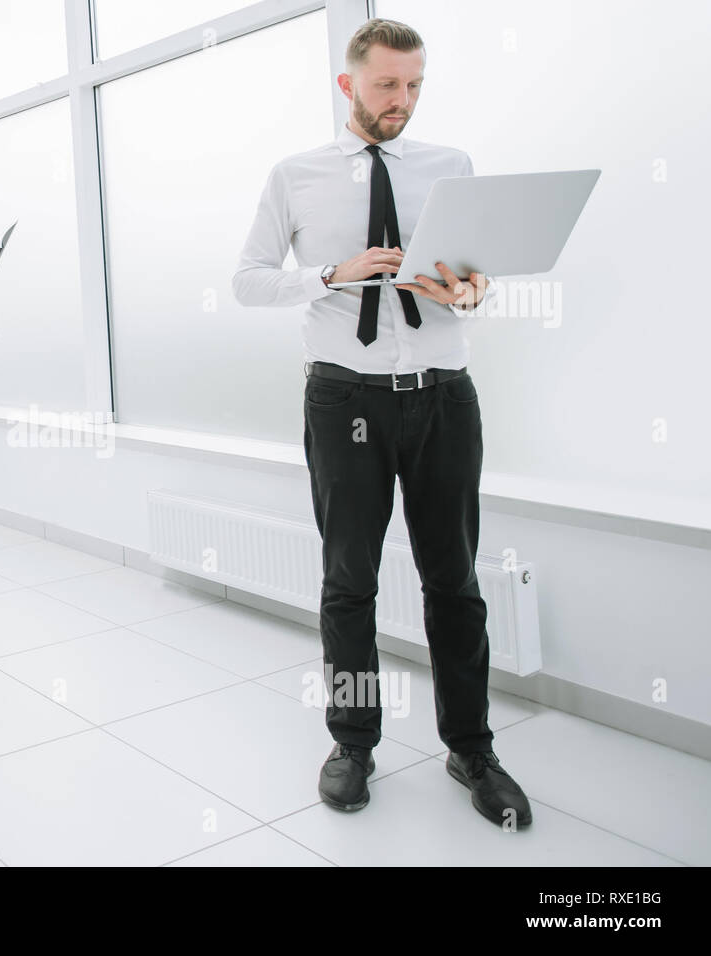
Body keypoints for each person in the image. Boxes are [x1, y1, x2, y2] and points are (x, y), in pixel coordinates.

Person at [232, 18, 531, 828]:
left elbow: (476, 281)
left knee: (455, 582)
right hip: (346, 401)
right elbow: (248, 280)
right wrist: (333, 273)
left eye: (414, 85)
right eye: (387, 85)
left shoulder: (451, 167)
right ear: (348, 85)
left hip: (444, 397)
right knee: (349, 582)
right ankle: (353, 743)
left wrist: (468, 292)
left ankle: (471, 748)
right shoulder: (296, 175)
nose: (403, 99)